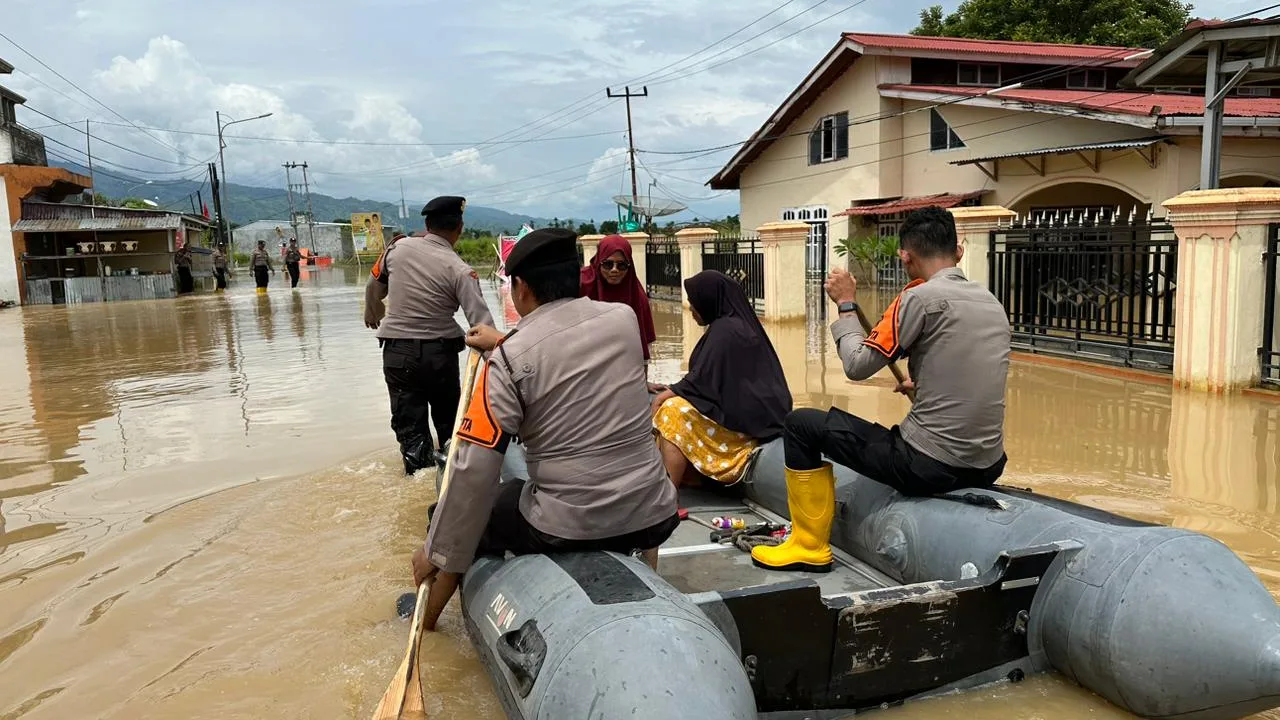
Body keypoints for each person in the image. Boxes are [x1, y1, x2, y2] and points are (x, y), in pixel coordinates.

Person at [409, 228, 680, 631]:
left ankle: (425, 626)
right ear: (578, 276)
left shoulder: (508, 358)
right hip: (655, 511)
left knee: (458, 517)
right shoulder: (624, 321)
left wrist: (435, 549)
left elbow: (474, 472)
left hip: (567, 524)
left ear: (519, 288)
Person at [751, 206, 1011, 574]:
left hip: (929, 465)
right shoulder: (993, 304)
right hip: (989, 465)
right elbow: (968, 373)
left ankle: (807, 545)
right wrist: (920, 385)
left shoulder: (917, 298)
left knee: (800, 423)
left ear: (905, 256)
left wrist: (845, 305)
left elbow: (857, 365)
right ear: (960, 251)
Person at [365, 195, 494, 475]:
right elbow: (482, 329)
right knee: (450, 428)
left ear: (426, 224)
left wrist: (372, 311)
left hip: (397, 355)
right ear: (459, 229)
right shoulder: (461, 270)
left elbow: (374, 286)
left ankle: (415, 475)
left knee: (410, 430)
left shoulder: (396, 249)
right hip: (440, 357)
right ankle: (447, 484)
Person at [649, 271, 791, 488]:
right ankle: (689, 475)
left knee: (672, 411)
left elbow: (700, 380)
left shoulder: (726, 330)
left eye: (693, 301)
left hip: (744, 431)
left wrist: (662, 398)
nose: (691, 308)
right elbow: (712, 380)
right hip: (753, 420)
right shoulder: (733, 325)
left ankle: (669, 496)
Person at [580, 235, 656, 362]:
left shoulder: (637, 296)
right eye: (608, 264)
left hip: (621, 362)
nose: (614, 270)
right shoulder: (583, 285)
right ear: (599, 262)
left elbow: (643, 347)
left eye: (621, 265)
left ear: (629, 266)